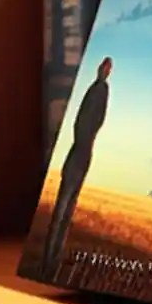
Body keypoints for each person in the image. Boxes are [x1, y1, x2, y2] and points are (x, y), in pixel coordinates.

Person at [41, 56, 112, 278]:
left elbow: (96, 120)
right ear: (99, 68)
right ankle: (48, 260)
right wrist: (83, 140)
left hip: (83, 153)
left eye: (108, 68)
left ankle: (54, 261)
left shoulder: (102, 90)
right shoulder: (94, 90)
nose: (105, 71)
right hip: (78, 153)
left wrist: (86, 141)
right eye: (104, 67)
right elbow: (82, 121)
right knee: (61, 210)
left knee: (67, 211)